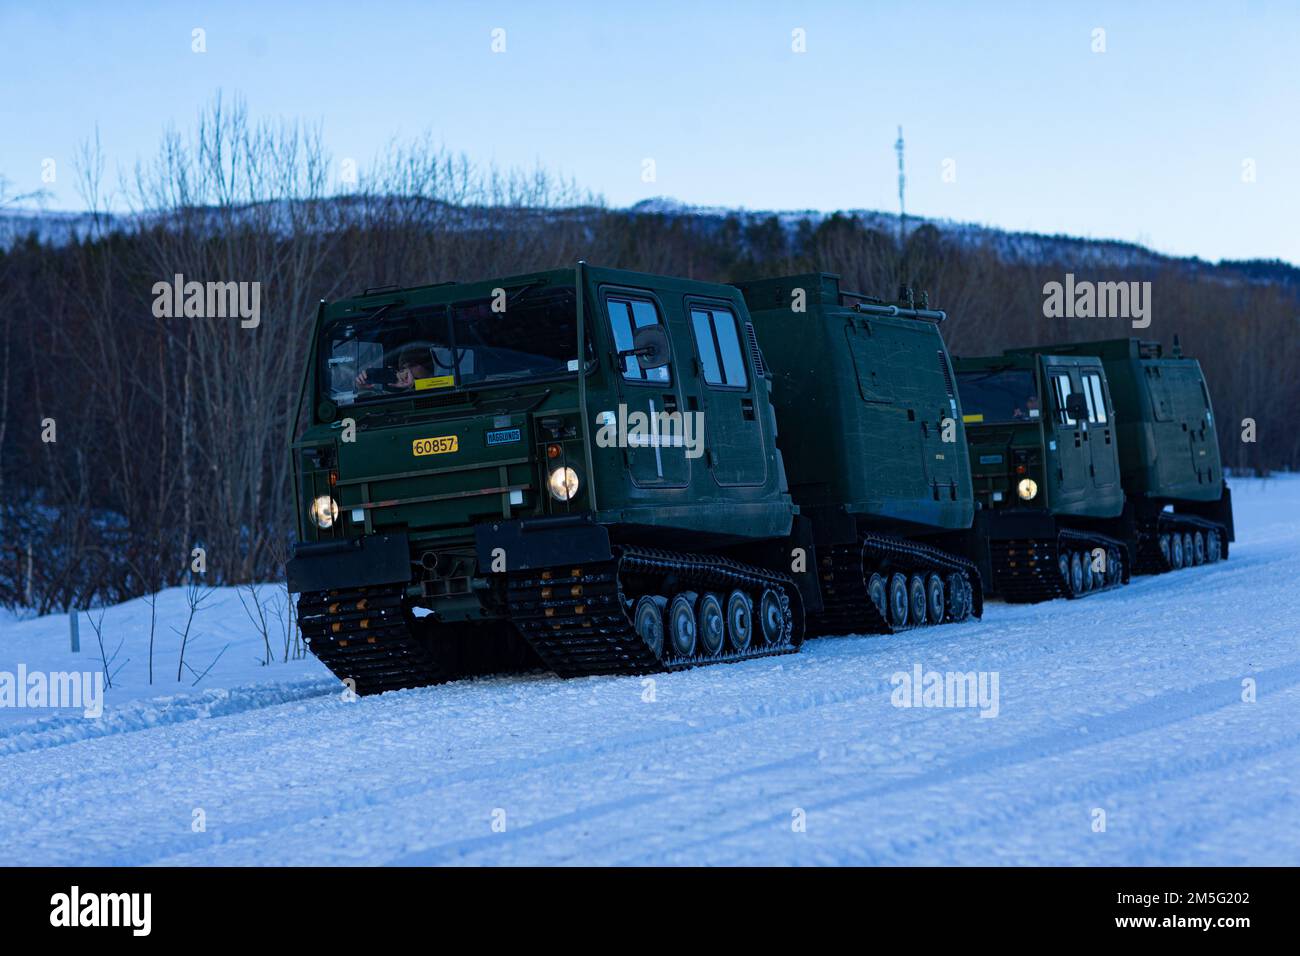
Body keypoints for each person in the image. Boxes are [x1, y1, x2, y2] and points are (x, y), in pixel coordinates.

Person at [355, 346, 436, 391]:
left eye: (415, 378)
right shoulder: (393, 397)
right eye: (402, 369)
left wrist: (415, 385)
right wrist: (363, 388)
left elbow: (443, 383)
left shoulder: (444, 381)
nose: (406, 375)